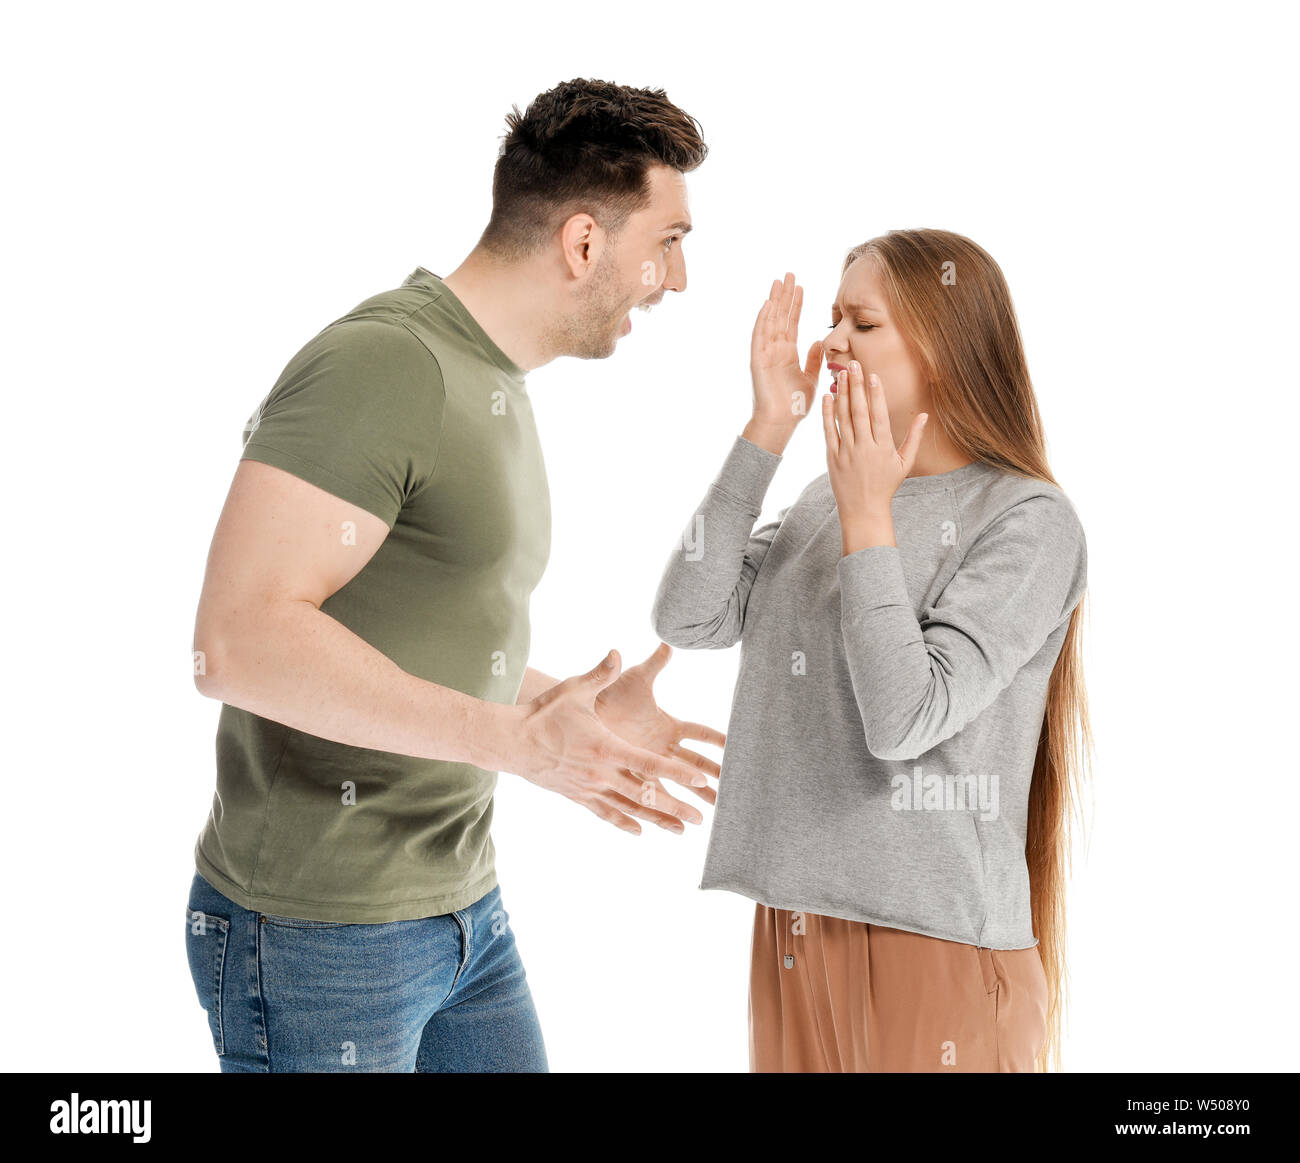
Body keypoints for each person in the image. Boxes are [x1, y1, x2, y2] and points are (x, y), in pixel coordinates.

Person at [184, 78, 724, 1073]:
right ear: (582, 242)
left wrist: (565, 709)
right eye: (669, 240)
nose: (676, 278)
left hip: (462, 911)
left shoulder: (486, 379)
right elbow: (237, 642)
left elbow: (404, 634)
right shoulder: (386, 363)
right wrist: (517, 742)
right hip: (321, 932)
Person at [652, 231, 1091, 1072]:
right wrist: (765, 431)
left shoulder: (1027, 520)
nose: (831, 344)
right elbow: (687, 616)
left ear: (947, 346)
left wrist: (869, 519)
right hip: (791, 924)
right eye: (832, 319)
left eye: (863, 322)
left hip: (932, 941)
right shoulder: (828, 499)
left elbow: (906, 717)